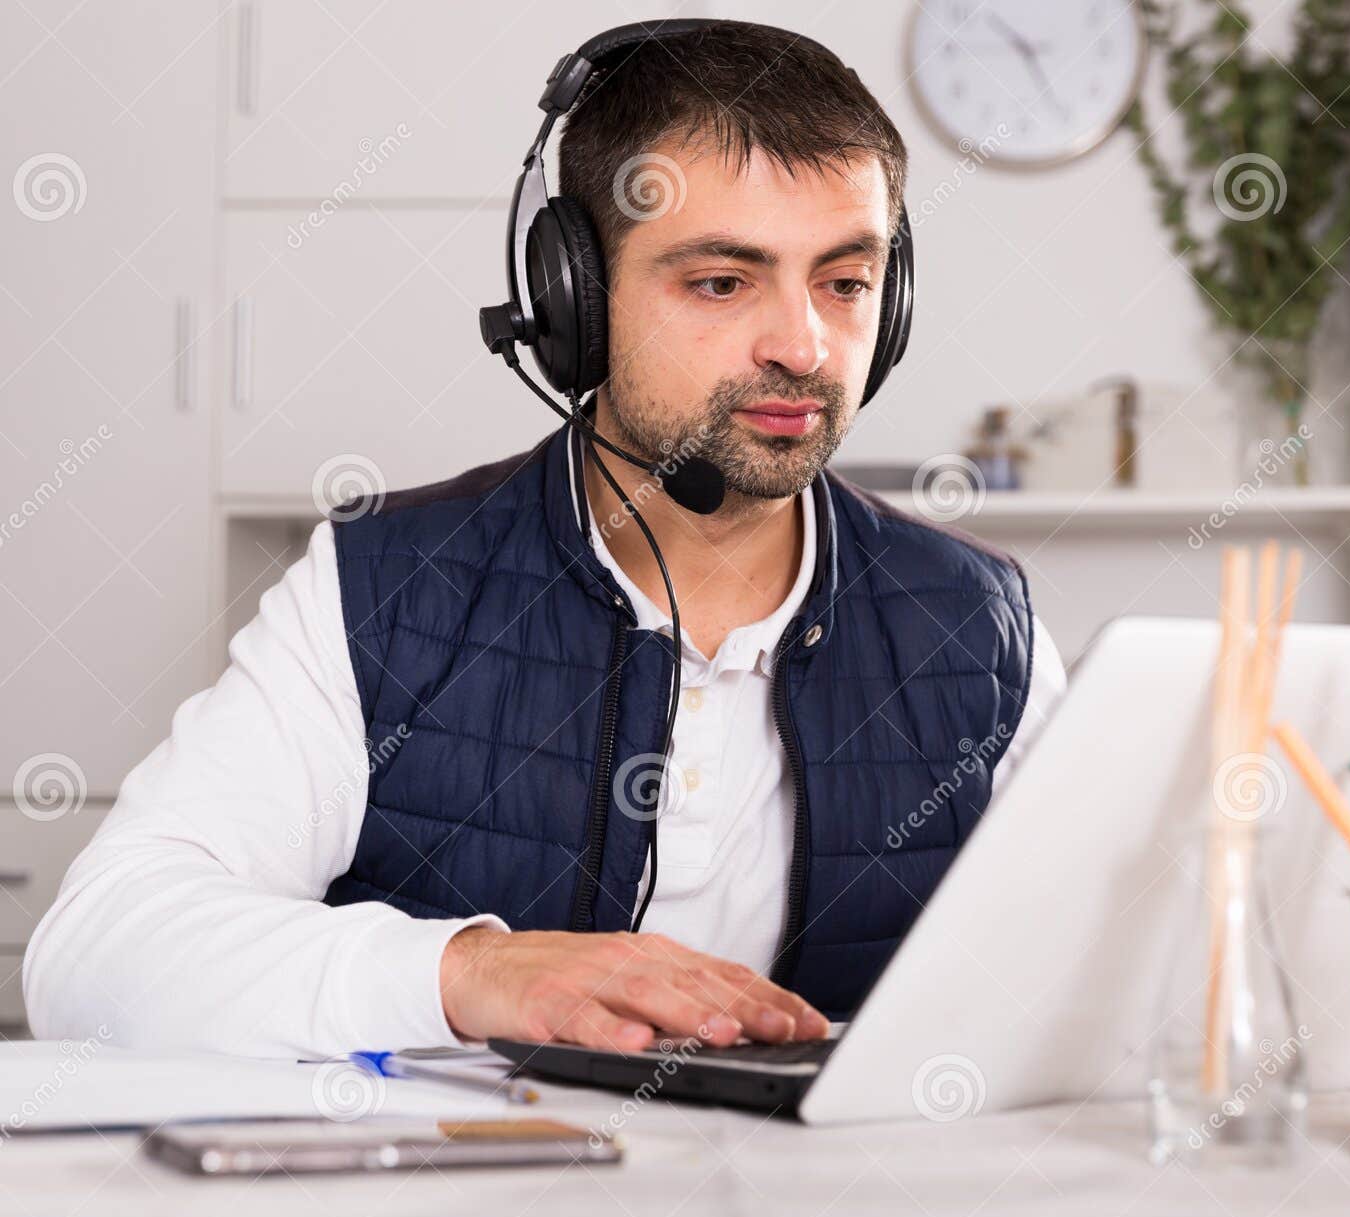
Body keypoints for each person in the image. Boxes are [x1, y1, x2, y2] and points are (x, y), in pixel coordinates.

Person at [24, 20, 1066, 1060]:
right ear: (574, 300)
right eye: (720, 282)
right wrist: (467, 973)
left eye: (843, 282)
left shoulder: (978, 625)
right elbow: (93, 962)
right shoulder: (384, 591)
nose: (801, 346)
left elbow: (1096, 991)